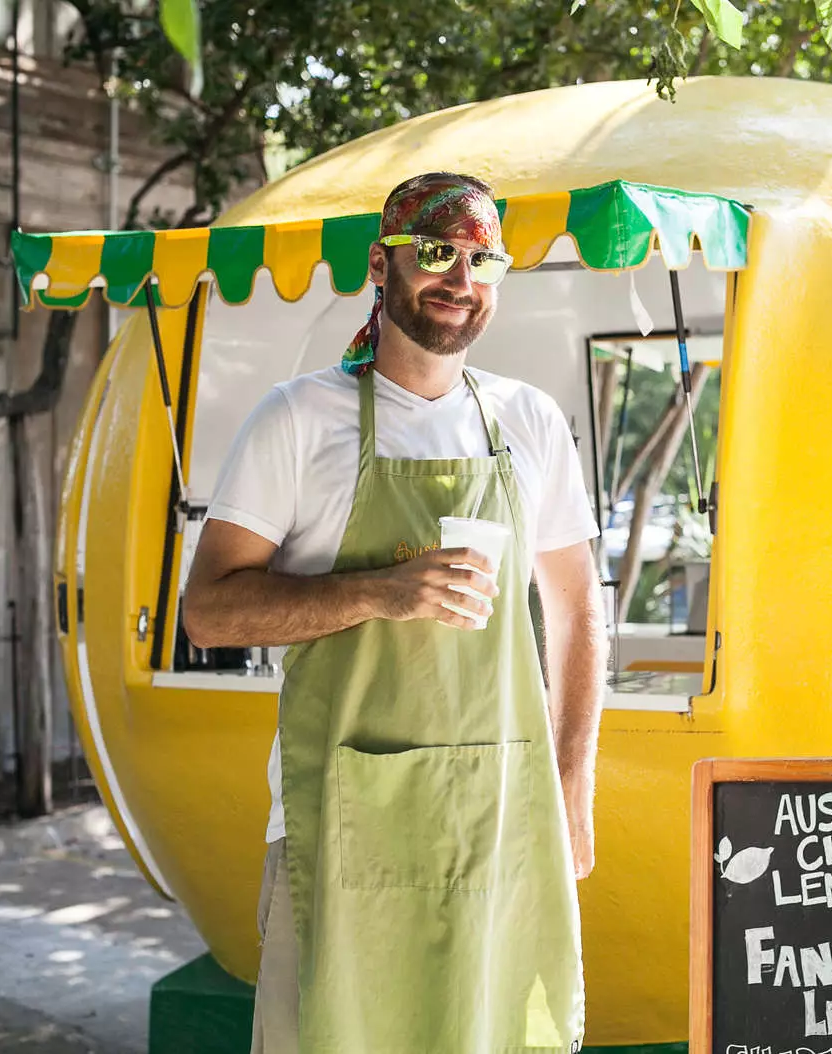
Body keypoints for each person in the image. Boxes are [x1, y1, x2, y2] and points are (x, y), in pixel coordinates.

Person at [182, 171, 606, 1053]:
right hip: (341, 823)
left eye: (482, 258)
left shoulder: (528, 423)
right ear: (383, 264)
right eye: (437, 252)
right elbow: (209, 615)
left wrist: (571, 783)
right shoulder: (299, 420)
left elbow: (576, 609)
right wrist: (381, 591)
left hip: (495, 821)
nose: (460, 278)